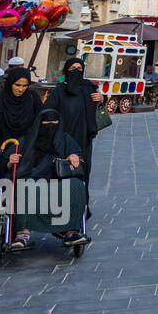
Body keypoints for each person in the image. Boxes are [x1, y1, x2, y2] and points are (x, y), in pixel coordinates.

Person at [5, 109, 89, 251]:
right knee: (21, 186)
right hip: (31, 180)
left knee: (77, 185)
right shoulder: (27, 140)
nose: (50, 126)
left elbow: (79, 158)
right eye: (46, 123)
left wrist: (74, 158)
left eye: (54, 123)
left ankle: (71, 231)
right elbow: (7, 163)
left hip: (58, 180)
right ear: (39, 124)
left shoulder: (65, 139)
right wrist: (11, 161)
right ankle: (23, 233)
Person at [51, 58, 104, 211]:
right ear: (66, 70)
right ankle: (61, 208)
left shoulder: (88, 87)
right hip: (64, 138)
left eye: (79, 68)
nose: (76, 70)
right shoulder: (60, 90)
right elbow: (49, 111)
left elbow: (98, 105)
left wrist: (101, 98)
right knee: (63, 171)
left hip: (84, 138)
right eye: (73, 67)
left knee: (83, 171)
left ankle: (82, 207)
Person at [0, 66, 43, 186]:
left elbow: (40, 123)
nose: (20, 89)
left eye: (24, 86)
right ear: (10, 83)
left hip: (23, 153)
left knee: (17, 194)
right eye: (17, 85)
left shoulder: (33, 100)